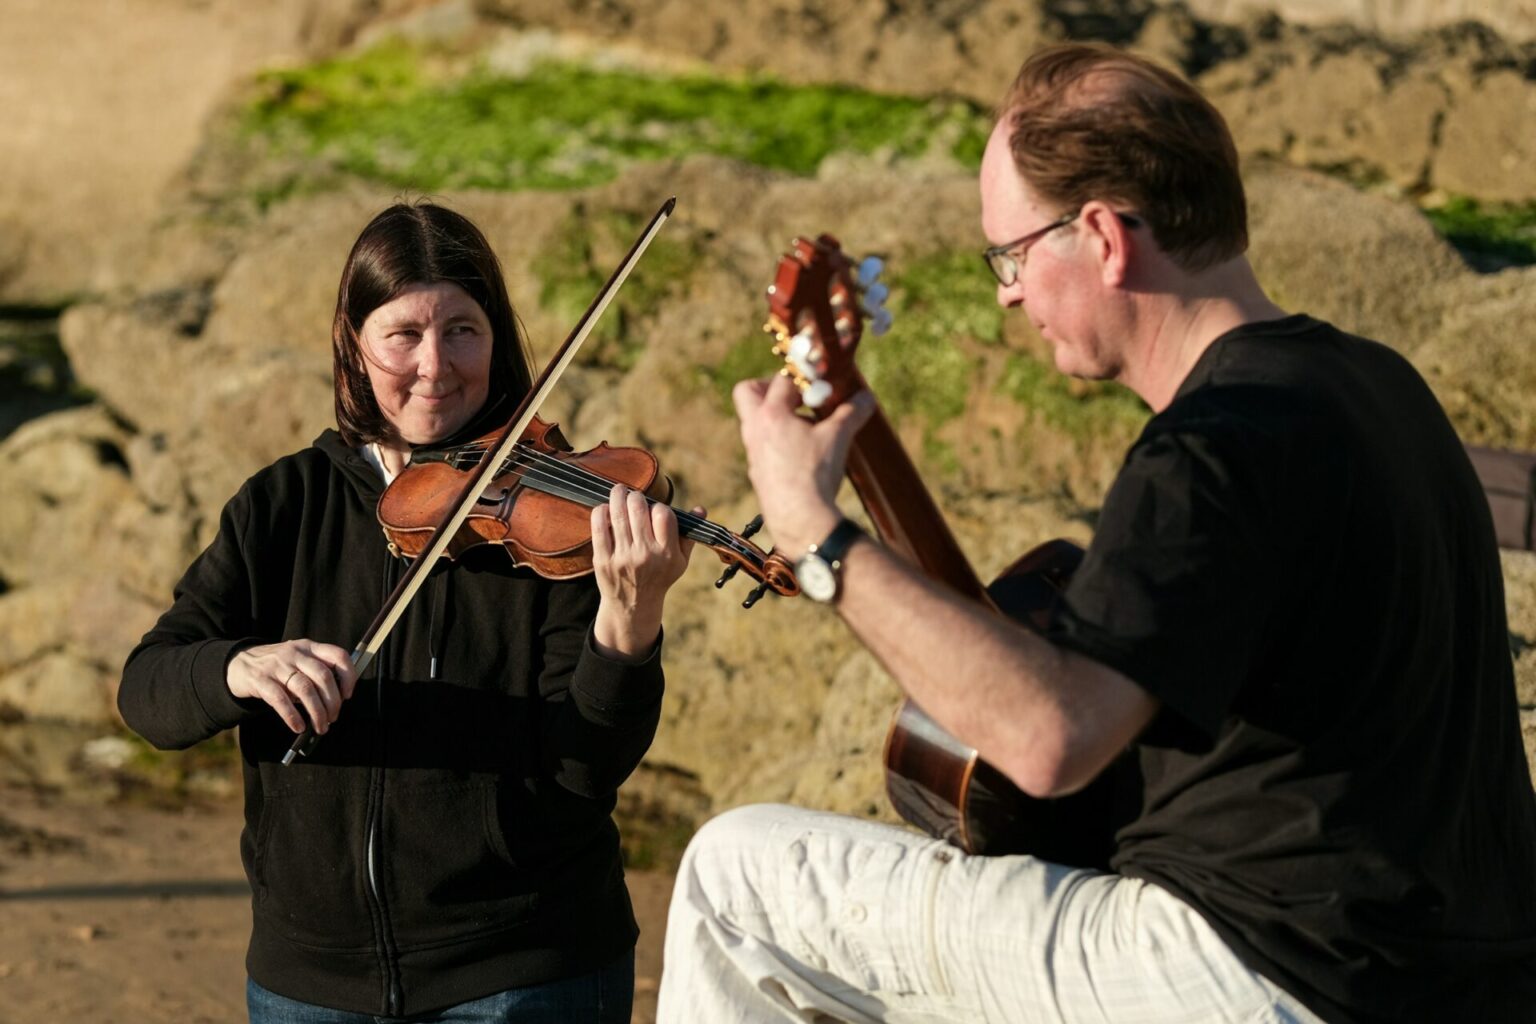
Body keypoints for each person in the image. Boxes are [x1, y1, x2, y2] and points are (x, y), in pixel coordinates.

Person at [656, 42, 1536, 1024]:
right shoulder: (1381, 387)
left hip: (1260, 971)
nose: (1008, 293)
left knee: (738, 879)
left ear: (1106, 237)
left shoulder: (1211, 448)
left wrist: (814, 530)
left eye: (1013, 255)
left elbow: (1048, 737)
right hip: (1459, 984)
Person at [119, 201, 696, 1023]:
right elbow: (148, 694)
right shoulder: (285, 505)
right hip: (308, 986)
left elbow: (586, 770)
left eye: (463, 330)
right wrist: (237, 666)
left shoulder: (549, 511)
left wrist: (629, 627)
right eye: (404, 335)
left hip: (523, 974)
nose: (435, 366)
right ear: (354, 344)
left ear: (496, 341)